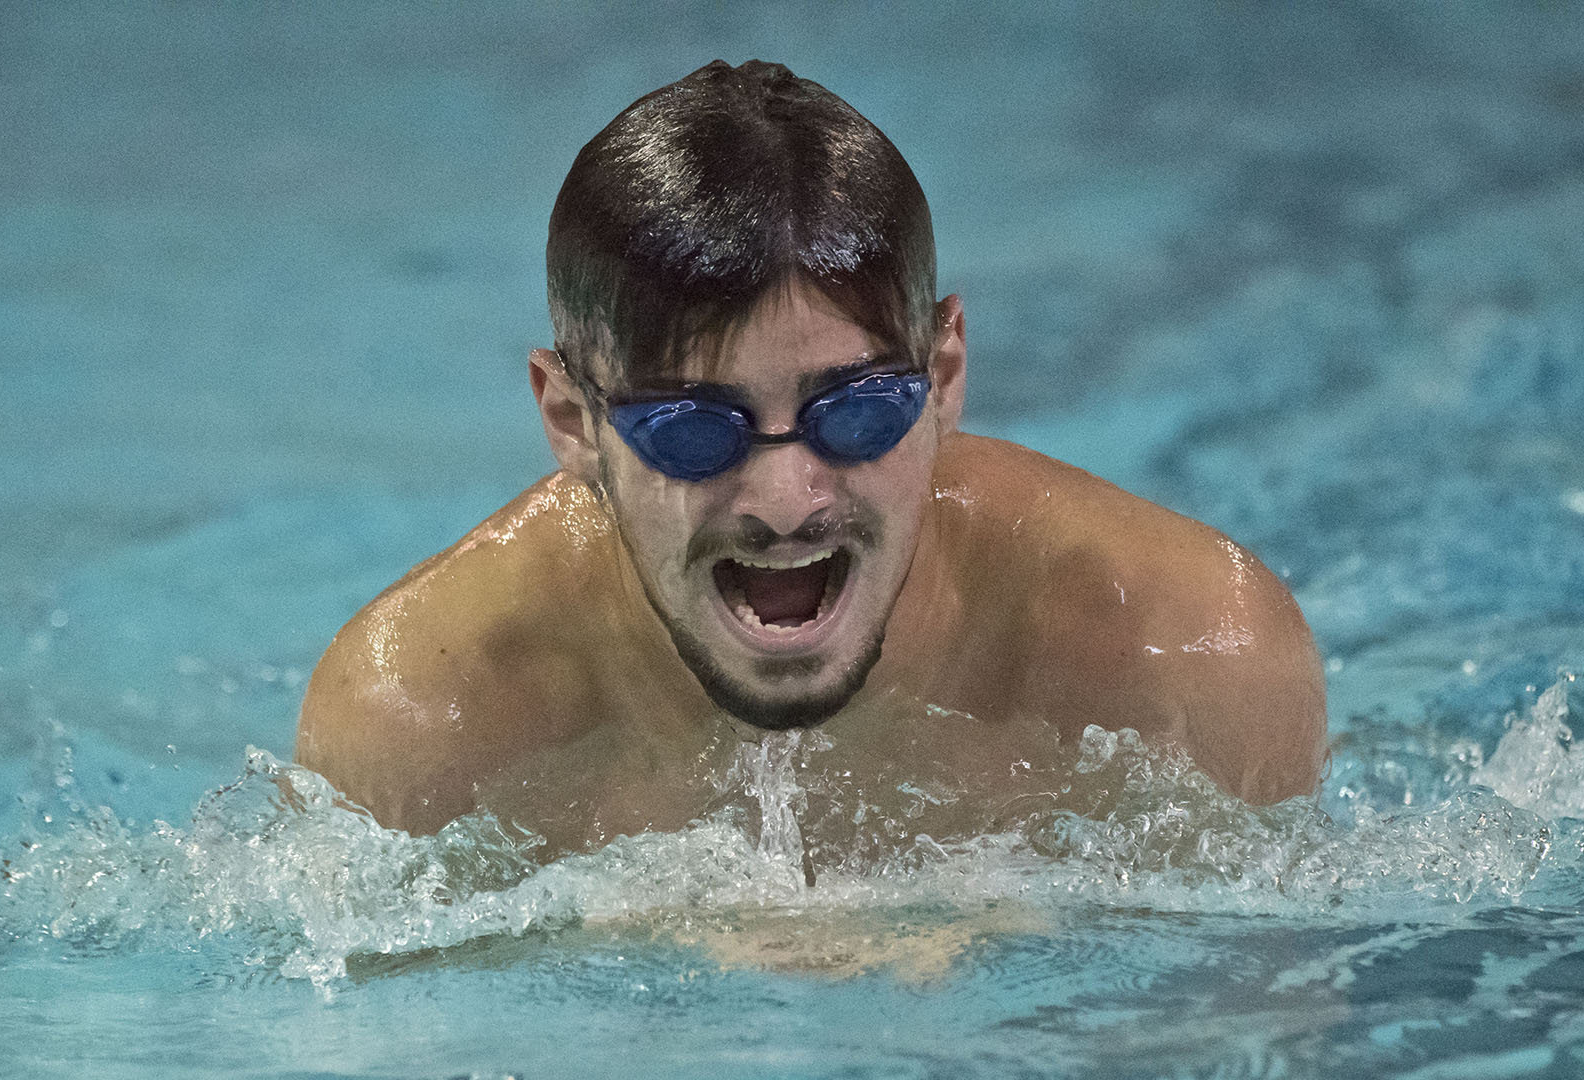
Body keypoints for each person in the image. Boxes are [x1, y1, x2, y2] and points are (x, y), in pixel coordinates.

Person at [295, 60, 1326, 857]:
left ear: (947, 375)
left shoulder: (1194, 660)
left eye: (858, 413)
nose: (787, 501)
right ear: (571, 421)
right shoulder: (422, 728)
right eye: (696, 429)